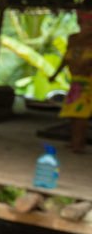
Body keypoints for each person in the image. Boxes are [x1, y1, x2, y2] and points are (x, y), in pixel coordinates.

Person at [49, 9, 92, 153]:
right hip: (75, 82)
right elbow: (65, 59)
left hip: (88, 83)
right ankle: (74, 142)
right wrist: (55, 74)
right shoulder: (72, 39)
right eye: (86, 23)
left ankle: (79, 145)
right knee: (73, 114)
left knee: (81, 115)